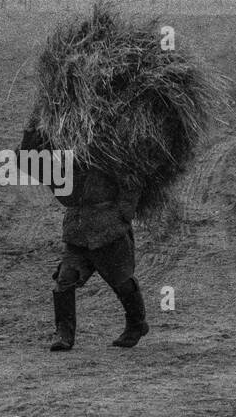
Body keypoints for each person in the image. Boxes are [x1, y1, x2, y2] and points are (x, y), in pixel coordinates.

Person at [17, 122, 149, 351]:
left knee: (121, 281)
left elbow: (133, 180)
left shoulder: (112, 150)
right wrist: (32, 132)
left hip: (109, 230)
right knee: (64, 281)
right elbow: (28, 160)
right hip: (77, 231)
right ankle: (65, 335)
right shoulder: (63, 155)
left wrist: (123, 216)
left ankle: (137, 324)